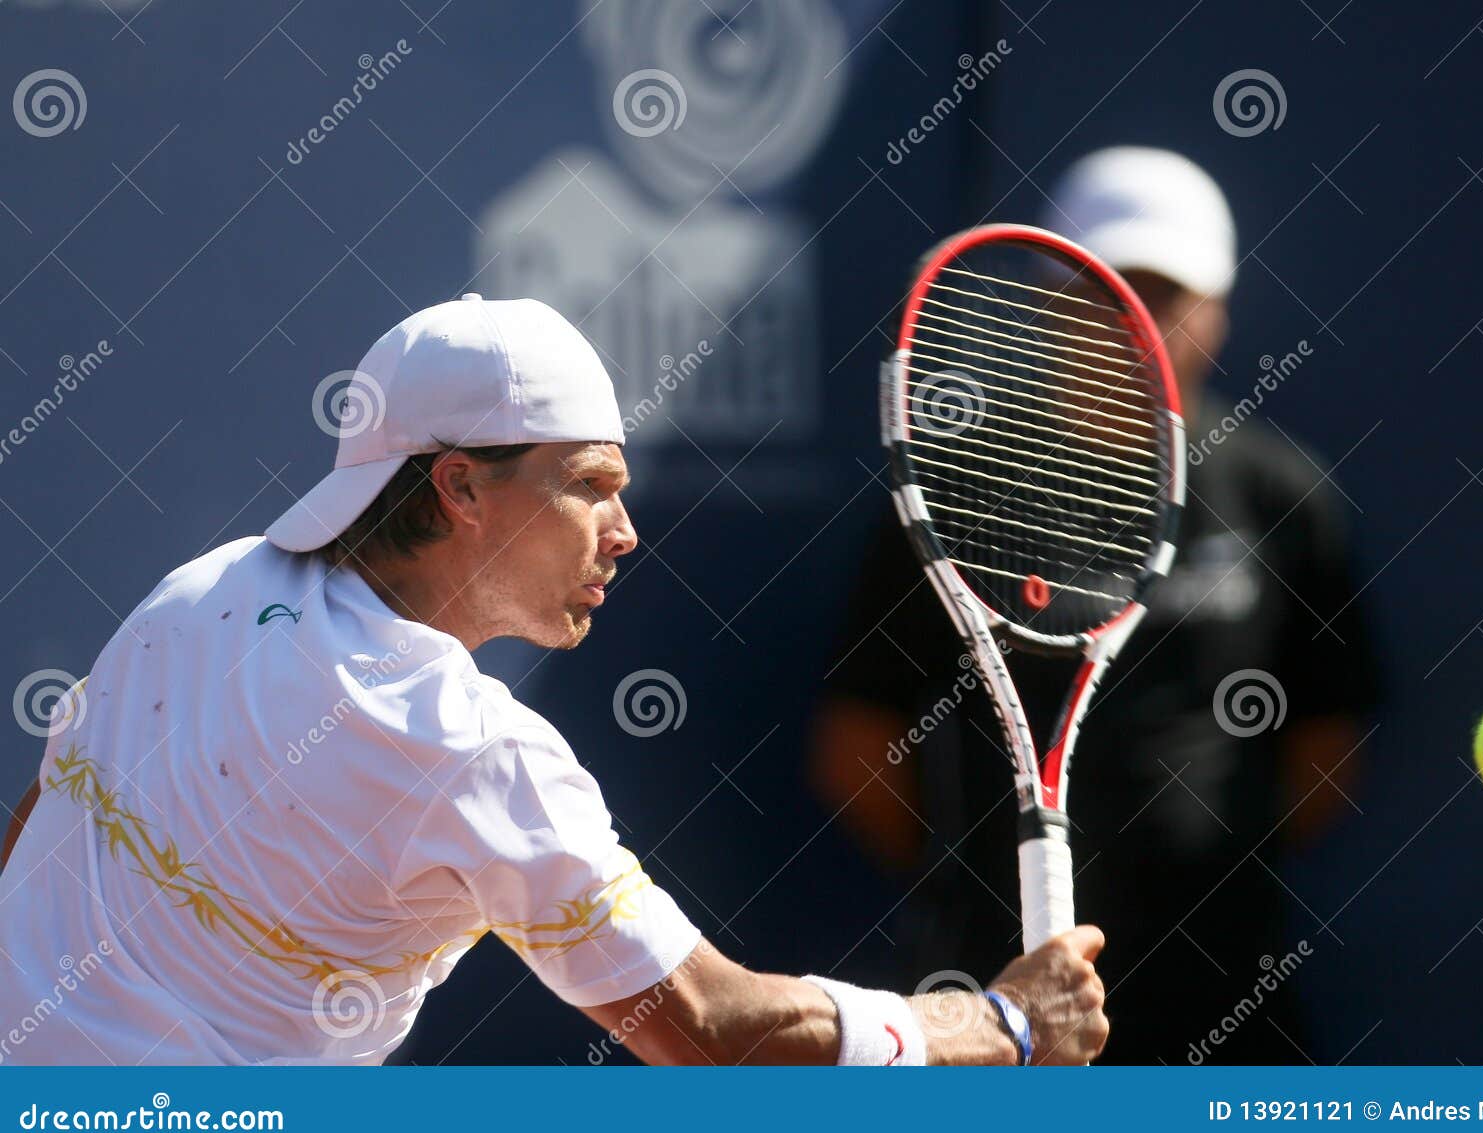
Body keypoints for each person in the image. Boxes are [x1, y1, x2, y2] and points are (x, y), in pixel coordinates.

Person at [0, 294, 1106, 1066]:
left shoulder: (201, 591)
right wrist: (996, 1026)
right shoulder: (470, 749)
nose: (624, 532)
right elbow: (716, 1034)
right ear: (459, 489)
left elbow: (29, 840)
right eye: (589, 485)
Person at [811, 148, 1381, 1064]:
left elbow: (1326, 749)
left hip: (1230, 1001)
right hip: (993, 1004)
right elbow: (857, 749)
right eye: (1104, 290)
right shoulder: (951, 497)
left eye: (1162, 295)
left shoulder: (1285, 494)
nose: (1130, 321)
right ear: (1047, 301)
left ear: (1217, 312)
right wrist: (984, 897)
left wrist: (1205, 879)